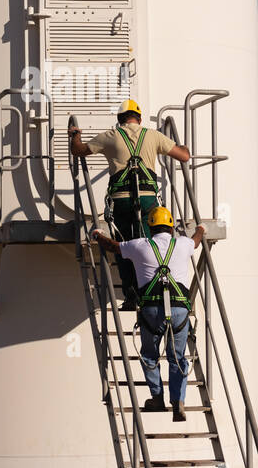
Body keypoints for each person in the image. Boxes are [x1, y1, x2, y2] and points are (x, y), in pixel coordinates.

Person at [69, 99, 191, 303]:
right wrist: (183, 146)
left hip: (121, 201)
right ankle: (153, 291)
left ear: (119, 120)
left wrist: (76, 135)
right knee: (149, 244)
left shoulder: (111, 136)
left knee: (124, 245)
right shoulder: (153, 135)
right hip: (148, 201)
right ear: (140, 118)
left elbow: (79, 150)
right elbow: (184, 156)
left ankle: (131, 294)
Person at [92, 206, 205, 422]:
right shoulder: (182, 244)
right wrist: (200, 228)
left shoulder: (140, 245)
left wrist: (98, 235)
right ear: (171, 227)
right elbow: (197, 240)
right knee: (178, 357)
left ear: (150, 227)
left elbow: (113, 246)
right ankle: (178, 400)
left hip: (151, 309)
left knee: (150, 356)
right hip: (180, 309)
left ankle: (157, 398)